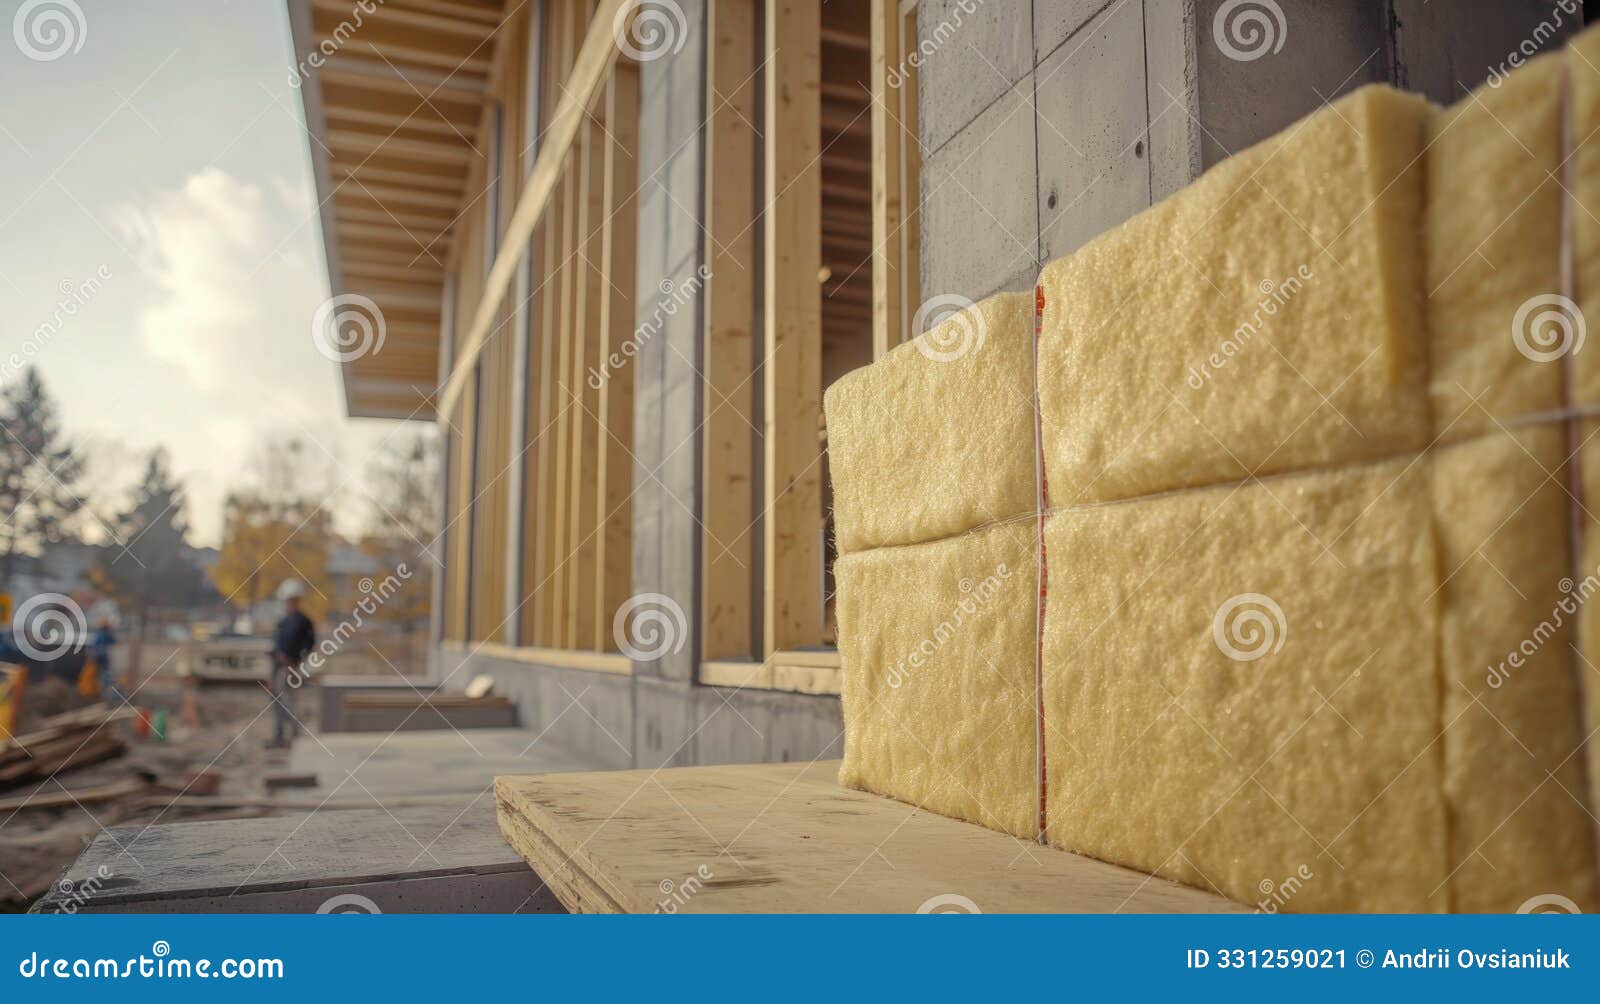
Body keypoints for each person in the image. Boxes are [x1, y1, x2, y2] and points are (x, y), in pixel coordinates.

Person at [268, 579, 315, 750]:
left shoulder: (302, 622)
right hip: (279, 668)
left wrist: (295, 662)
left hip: (290, 668)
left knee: (286, 703)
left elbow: (308, 645)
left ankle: (294, 734)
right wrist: (272, 673)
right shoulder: (283, 622)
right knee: (279, 703)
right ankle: (281, 736)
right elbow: (277, 648)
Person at [90, 617, 121, 704]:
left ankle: (103, 693)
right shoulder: (105, 634)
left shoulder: (99, 634)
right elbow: (115, 641)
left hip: (100, 658)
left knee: (102, 675)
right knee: (105, 675)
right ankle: (104, 694)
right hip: (102, 658)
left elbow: (93, 646)